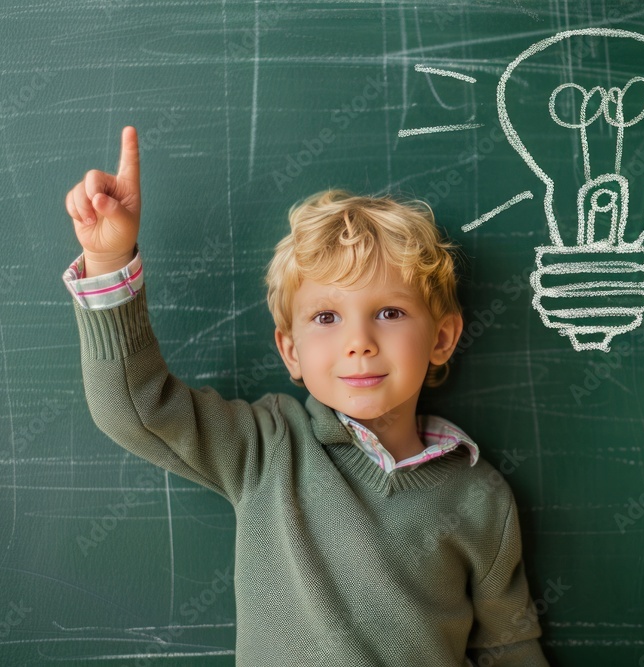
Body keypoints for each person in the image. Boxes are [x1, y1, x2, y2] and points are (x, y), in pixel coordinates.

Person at [63, 125, 548, 666]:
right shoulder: (265, 449)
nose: (359, 343)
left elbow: (510, 648)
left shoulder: (480, 496)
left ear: (441, 338)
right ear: (290, 351)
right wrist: (108, 261)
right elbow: (135, 409)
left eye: (389, 313)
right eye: (326, 317)